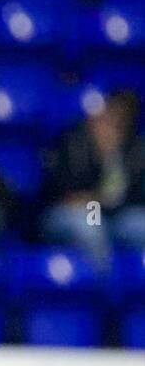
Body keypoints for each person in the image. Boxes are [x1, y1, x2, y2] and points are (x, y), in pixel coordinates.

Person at [40, 88, 145, 264]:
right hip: (76, 212)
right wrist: (97, 156)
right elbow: (66, 192)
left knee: (139, 226)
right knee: (91, 227)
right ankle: (104, 288)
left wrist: (110, 159)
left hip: (115, 213)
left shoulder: (136, 149)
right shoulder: (74, 140)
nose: (114, 122)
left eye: (122, 118)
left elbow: (134, 196)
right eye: (111, 113)